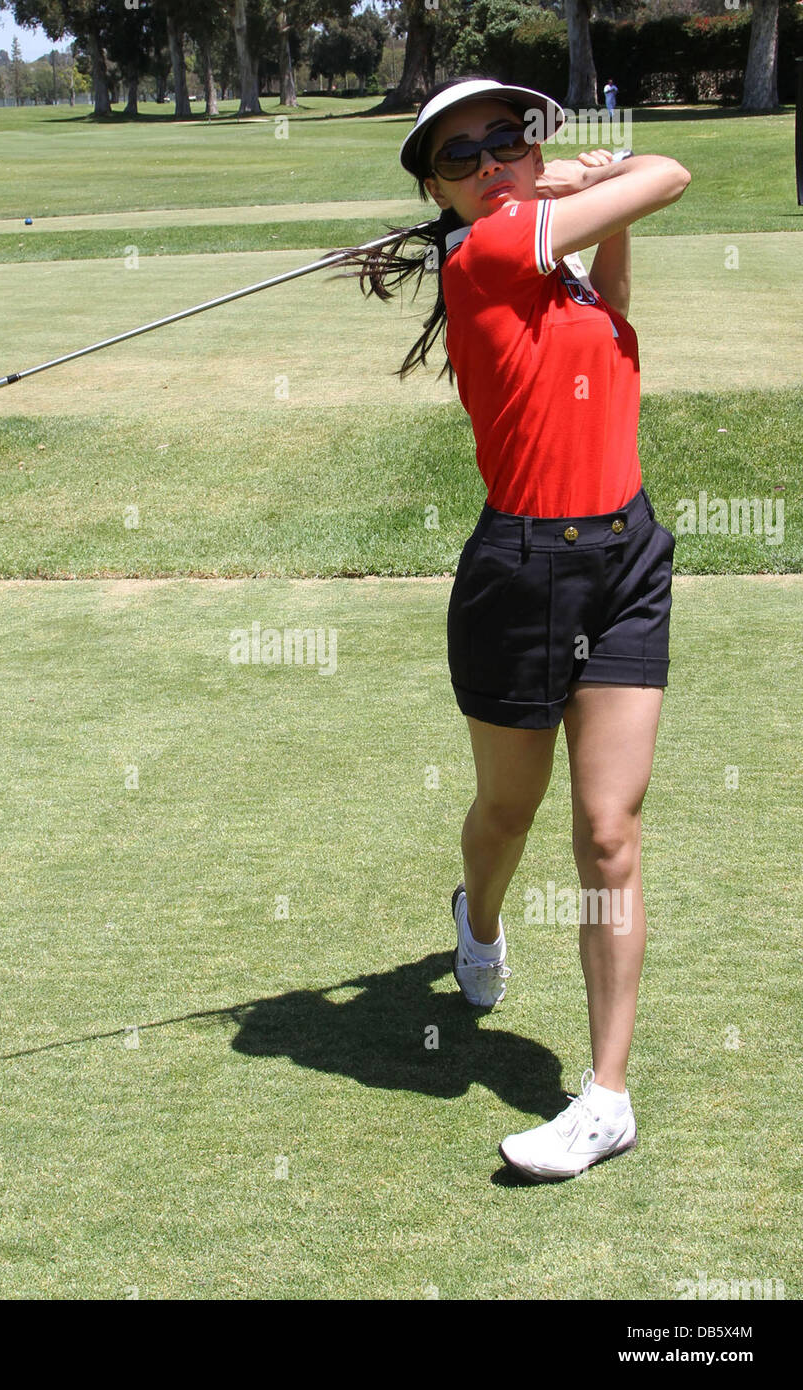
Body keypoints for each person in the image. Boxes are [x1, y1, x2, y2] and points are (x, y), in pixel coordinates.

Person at [341, 75, 690, 1180]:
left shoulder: (558, 270)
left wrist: (586, 197)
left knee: (606, 833)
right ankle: (477, 925)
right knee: (507, 809)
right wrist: (582, 178)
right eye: (464, 157)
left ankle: (605, 1097)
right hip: (522, 572)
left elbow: (620, 319)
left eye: (509, 140)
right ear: (438, 192)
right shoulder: (480, 257)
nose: (493, 160)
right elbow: (667, 170)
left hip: (627, 556)